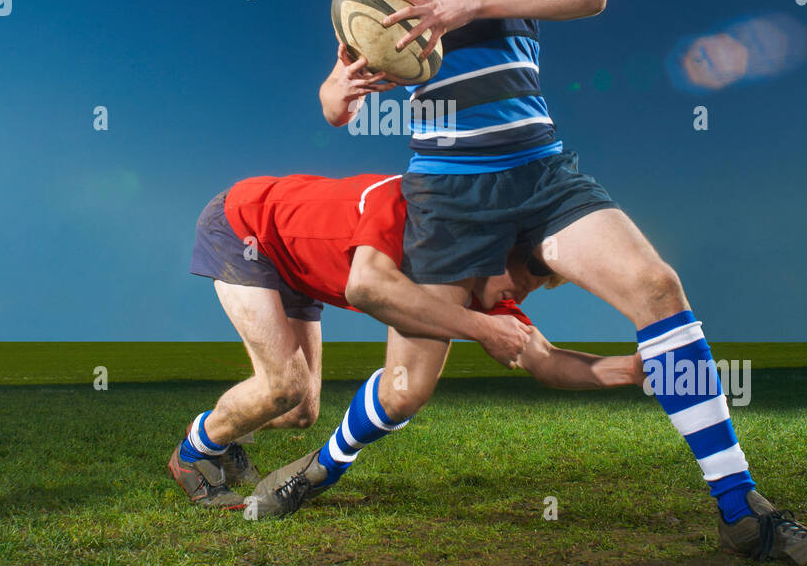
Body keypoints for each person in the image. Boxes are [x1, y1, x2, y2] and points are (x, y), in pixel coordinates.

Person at [307, 0, 807, 566]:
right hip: (446, 198)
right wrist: (338, 92)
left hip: (543, 174)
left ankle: (741, 511)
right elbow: (337, 108)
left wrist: (463, 8)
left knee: (656, 287)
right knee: (404, 388)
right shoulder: (378, 1)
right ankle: (322, 465)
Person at [169, 171, 642, 512]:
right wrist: (480, 328)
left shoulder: (480, 283)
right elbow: (367, 288)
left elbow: (544, 360)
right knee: (283, 387)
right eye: (518, 279)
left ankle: (225, 437)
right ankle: (192, 455)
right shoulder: (415, 207)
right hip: (246, 227)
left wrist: (630, 370)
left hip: (297, 272)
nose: (516, 296)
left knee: (301, 411)